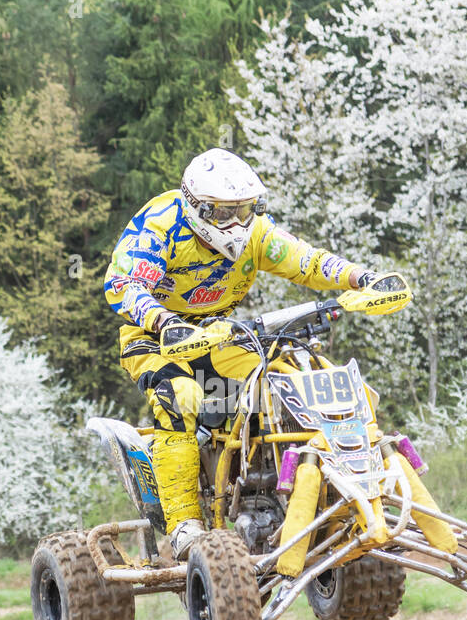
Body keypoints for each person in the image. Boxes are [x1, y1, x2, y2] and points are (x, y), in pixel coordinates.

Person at [104, 148, 377, 559]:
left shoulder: (256, 233)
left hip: (221, 335)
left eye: (246, 210)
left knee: (285, 379)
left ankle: (305, 494)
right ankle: (185, 526)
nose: (236, 223)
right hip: (154, 336)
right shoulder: (159, 226)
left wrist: (362, 277)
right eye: (222, 213)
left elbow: (307, 261)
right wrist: (163, 321)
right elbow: (124, 283)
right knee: (181, 399)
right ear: (196, 206)